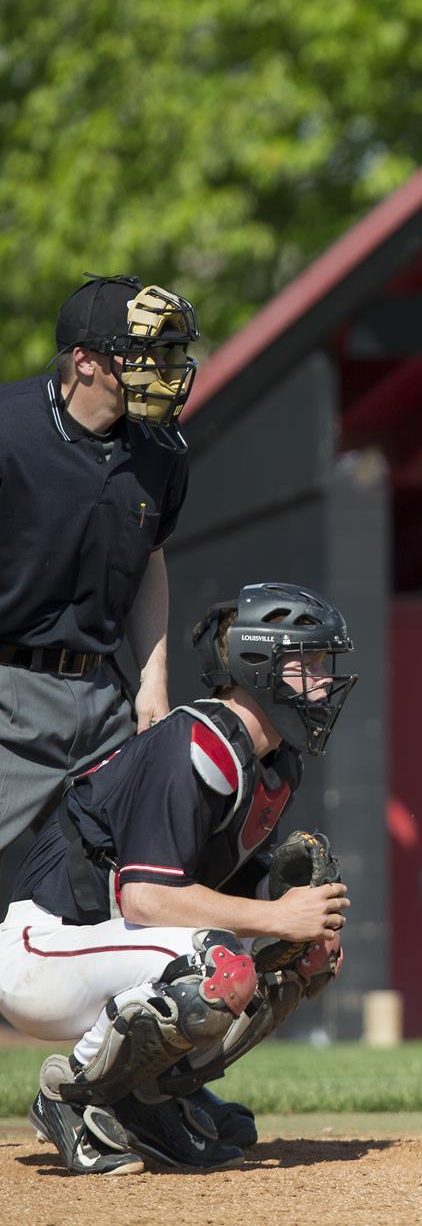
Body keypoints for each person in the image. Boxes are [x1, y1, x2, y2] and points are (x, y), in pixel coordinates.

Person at [0, 582, 355, 1173]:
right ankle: (74, 1093)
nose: (322, 680)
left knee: (302, 953)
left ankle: (156, 1093)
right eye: (308, 663)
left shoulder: (273, 760)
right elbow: (148, 897)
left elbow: (211, 893)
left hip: (117, 946)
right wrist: (275, 914)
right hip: (44, 950)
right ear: (258, 665)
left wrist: (284, 904)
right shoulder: (197, 743)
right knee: (217, 965)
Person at [0, 275, 199, 877]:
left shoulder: (161, 451)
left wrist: (153, 684)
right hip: (9, 689)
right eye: (146, 354)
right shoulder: (10, 429)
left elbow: (149, 561)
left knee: (115, 888)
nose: (167, 369)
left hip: (103, 701)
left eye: (172, 352)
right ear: (84, 361)